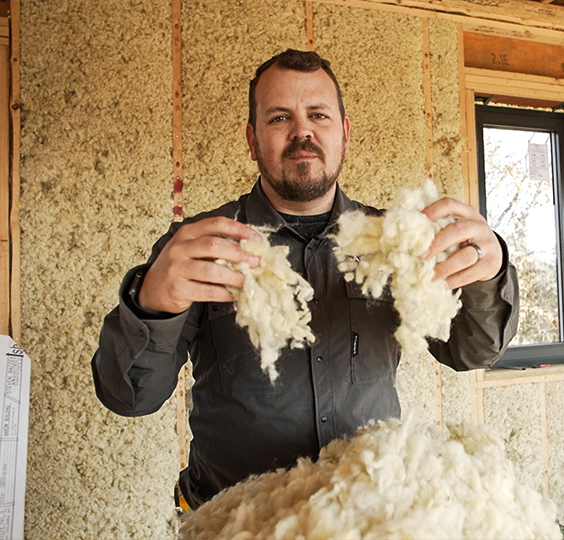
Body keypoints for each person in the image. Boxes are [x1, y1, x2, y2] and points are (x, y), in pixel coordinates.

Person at [91, 49, 519, 509]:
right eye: (280, 118)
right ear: (252, 140)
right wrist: (149, 302)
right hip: (234, 525)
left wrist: (488, 273)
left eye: (318, 114)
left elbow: (471, 351)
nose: (303, 132)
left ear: (345, 133)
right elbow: (128, 396)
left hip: (369, 519)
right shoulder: (199, 247)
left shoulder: (400, 242)